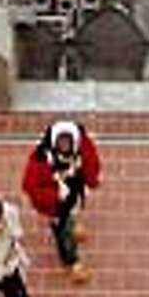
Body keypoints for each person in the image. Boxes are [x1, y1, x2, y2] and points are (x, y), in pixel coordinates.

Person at [22, 118, 100, 282]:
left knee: (71, 214)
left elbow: (91, 160)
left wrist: (90, 178)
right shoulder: (41, 160)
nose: (64, 145)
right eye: (60, 141)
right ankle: (72, 261)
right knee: (63, 234)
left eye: (67, 141)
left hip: (73, 194)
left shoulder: (80, 149)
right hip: (54, 205)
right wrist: (55, 196)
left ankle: (72, 225)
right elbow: (30, 186)